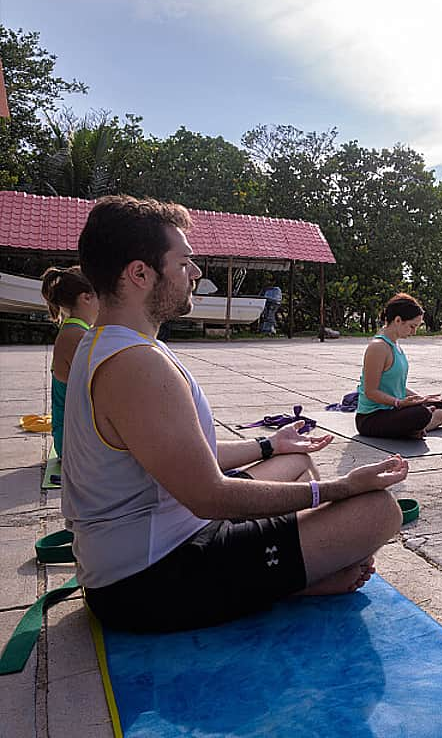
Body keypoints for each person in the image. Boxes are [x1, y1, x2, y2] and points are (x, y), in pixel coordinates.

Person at [63, 195, 407, 634]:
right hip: (148, 578)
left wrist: (268, 444)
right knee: (378, 511)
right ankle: (292, 579)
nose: (195, 272)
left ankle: (292, 564)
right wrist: (338, 489)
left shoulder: (108, 343)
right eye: (184, 262)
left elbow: (185, 454)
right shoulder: (135, 364)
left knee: (294, 460)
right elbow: (210, 497)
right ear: (140, 273)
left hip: (158, 539)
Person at [356, 293, 442, 439]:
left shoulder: (396, 346)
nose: (414, 332)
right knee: (421, 414)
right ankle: (416, 427)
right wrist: (399, 403)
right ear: (398, 320)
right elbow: (371, 392)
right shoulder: (378, 347)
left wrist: (422, 398)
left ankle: (417, 429)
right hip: (371, 418)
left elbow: (397, 386)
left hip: (394, 410)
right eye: (412, 326)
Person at [40, 265, 99, 459]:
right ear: (86, 298)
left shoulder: (74, 329)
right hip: (73, 442)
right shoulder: (76, 336)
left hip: (70, 436)